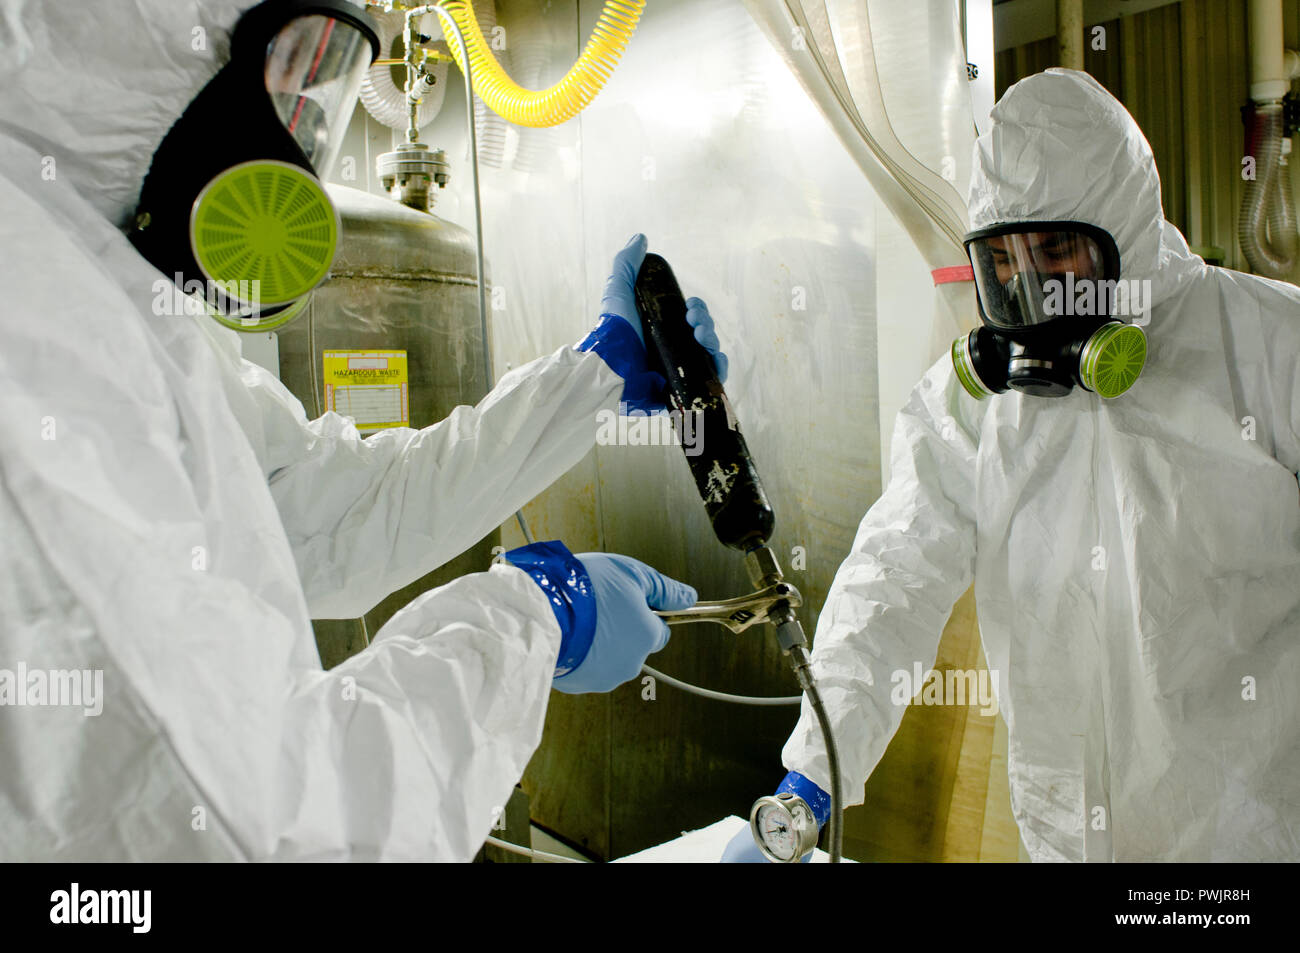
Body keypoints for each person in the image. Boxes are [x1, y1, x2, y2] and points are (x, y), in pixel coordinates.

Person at [0, 0, 725, 861]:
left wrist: (590, 379)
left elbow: (325, 509)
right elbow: (272, 830)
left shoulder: (109, 295)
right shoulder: (34, 329)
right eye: (296, 62)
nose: (300, 134)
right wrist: (532, 620)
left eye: (330, 79)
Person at [726, 68, 1300, 862]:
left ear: (1122, 226)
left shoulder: (1269, 348)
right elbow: (893, 581)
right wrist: (811, 778)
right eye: (1006, 257)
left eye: (1058, 249)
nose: (1032, 286)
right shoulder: (975, 404)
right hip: (1065, 843)